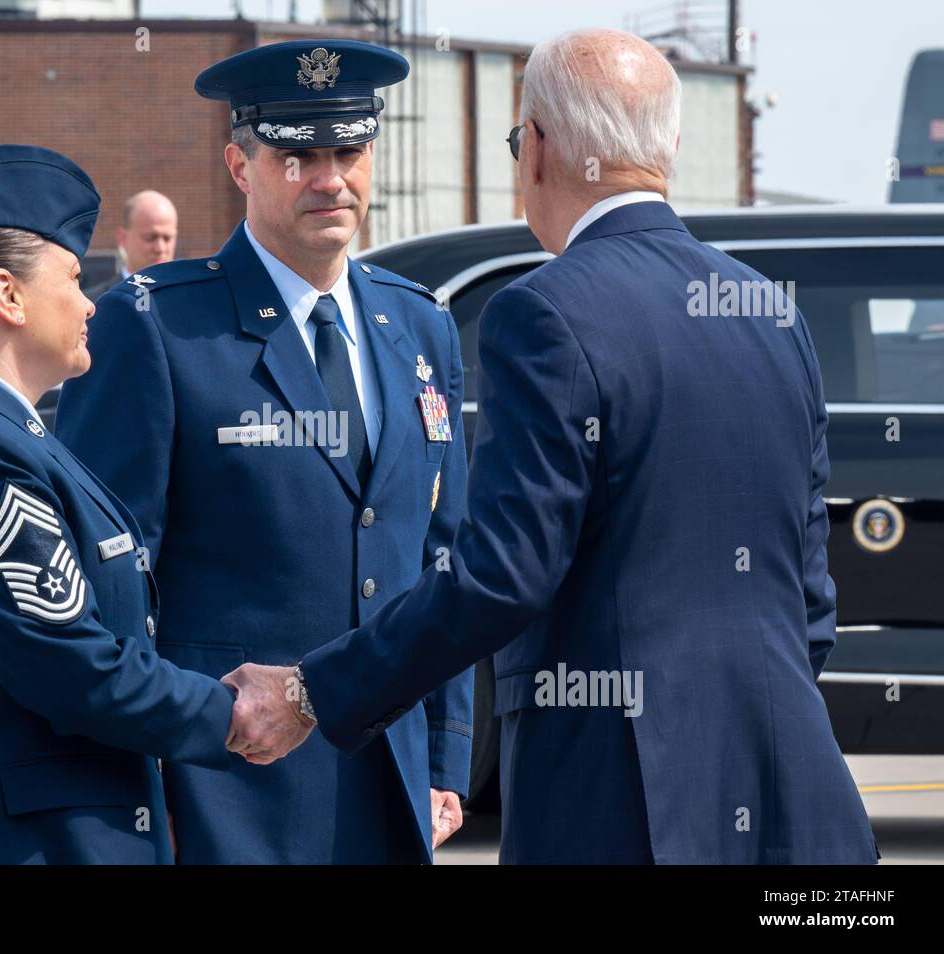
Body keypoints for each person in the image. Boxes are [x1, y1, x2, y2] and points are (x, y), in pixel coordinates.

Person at [225, 28, 880, 865]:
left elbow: (502, 574)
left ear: (536, 148)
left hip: (623, 800)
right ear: (668, 146)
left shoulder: (545, 312)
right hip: (798, 798)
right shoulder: (769, 312)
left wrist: (312, 692)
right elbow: (809, 596)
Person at [55, 40, 473, 864]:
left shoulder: (418, 323)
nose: (329, 179)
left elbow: (442, 559)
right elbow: (109, 581)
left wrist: (446, 755)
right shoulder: (157, 327)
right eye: (296, 155)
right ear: (240, 166)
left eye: (348, 151)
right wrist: (137, 786)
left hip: (393, 783)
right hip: (226, 794)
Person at [0, 144, 236, 865]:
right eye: (71, 274)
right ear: (8, 295)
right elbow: (75, 668)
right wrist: (234, 713)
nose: (91, 299)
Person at [82, 191, 179, 300]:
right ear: (123, 238)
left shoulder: (190, 300)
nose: (160, 248)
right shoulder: (93, 304)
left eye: (167, 238)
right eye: (150, 238)